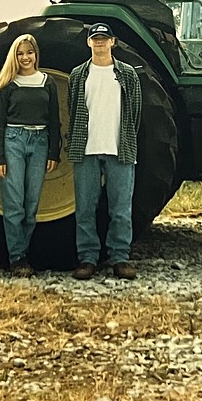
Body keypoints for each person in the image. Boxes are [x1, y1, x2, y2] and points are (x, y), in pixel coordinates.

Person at [67, 22, 142, 280]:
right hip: (85, 148)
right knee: (85, 207)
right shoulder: (78, 74)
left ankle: (119, 258)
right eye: (95, 38)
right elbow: (73, 107)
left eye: (104, 38)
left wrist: (126, 138)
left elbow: (135, 112)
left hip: (119, 148)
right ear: (89, 42)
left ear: (113, 42)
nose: (99, 42)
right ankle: (87, 259)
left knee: (120, 208)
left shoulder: (127, 74)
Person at [0, 34, 61, 277]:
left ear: (35, 54)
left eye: (29, 52)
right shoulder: (8, 84)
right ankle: (17, 258)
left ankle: (25, 252)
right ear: (15, 56)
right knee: (14, 203)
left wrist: (54, 151)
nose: (25, 58)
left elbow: (54, 119)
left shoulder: (47, 82)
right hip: (13, 141)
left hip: (40, 141)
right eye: (20, 53)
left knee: (31, 204)